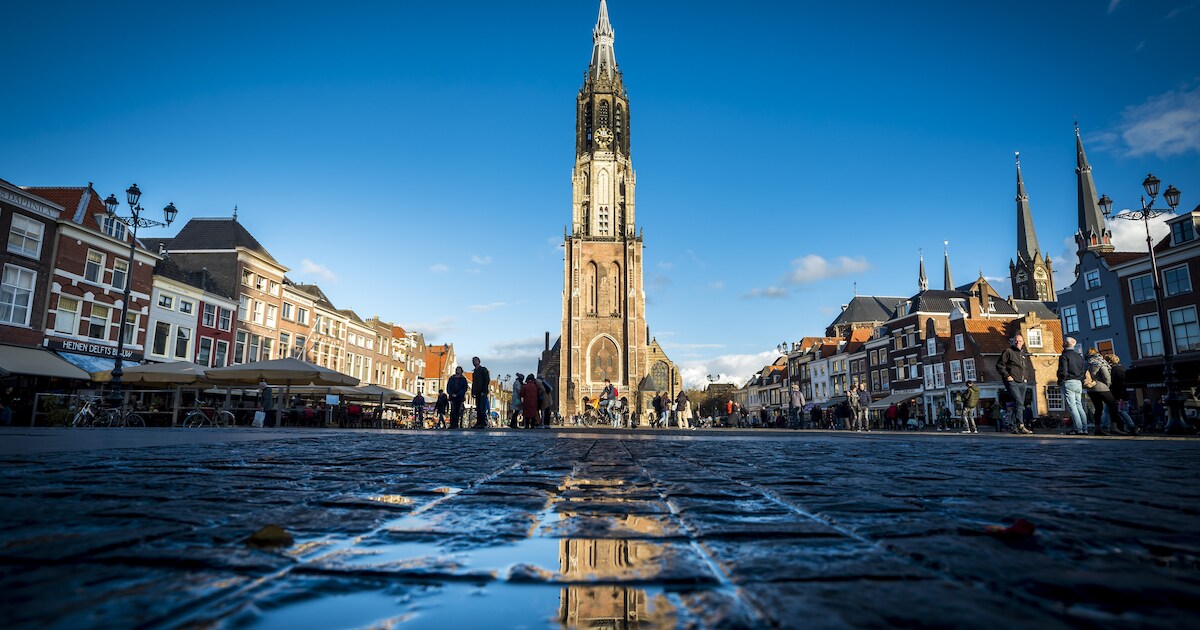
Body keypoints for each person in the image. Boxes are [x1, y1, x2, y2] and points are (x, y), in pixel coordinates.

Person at [996, 334, 1034, 435]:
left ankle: (1013, 426)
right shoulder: (1008, 352)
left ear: (1023, 342)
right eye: (1016, 341)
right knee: (1019, 401)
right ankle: (1021, 425)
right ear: (1013, 342)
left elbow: (1025, 368)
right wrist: (1007, 376)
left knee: (1018, 403)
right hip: (1012, 381)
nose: (1018, 343)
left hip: (1022, 382)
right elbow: (999, 365)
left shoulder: (1023, 354)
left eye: (1020, 341)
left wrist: (1026, 378)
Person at [1085, 348, 1126, 436]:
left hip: (1090, 389)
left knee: (1098, 408)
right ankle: (1114, 427)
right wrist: (1107, 384)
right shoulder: (1100, 362)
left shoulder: (1086, 363)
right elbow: (1106, 376)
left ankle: (1097, 428)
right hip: (1102, 388)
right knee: (1113, 406)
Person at [1057, 338, 1088, 435]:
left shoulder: (1064, 356)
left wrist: (1060, 380)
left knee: (1072, 406)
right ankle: (1085, 428)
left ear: (1066, 344)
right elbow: (1083, 371)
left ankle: (1078, 428)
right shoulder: (1079, 357)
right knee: (1079, 405)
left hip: (1069, 381)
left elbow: (1063, 371)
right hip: (1078, 382)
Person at [1104, 354, 1138, 435]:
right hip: (1120, 395)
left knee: (1115, 411)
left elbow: (1117, 385)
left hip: (1116, 395)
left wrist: (1118, 397)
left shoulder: (1115, 370)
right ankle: (1130, 427)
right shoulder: (1122, 369)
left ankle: (1105, 426)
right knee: (1118, 411)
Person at [471, 357, 490, 429]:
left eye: (475, 360)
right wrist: (473, 392)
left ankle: (482, 423)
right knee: (478, 408)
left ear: (479, 361)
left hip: (482, 392)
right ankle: (479, 423)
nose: (474, 362)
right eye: (473, 361)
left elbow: (486, 380)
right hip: (477, 392)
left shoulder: (483, 370)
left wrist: (484, 391)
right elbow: (474, 382)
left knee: (482, 408)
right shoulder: (474, 372)